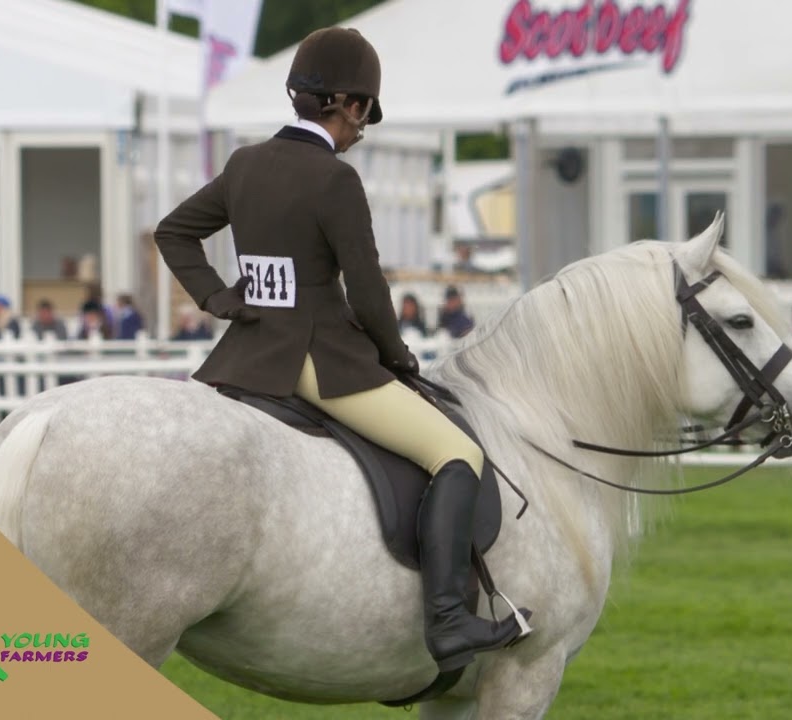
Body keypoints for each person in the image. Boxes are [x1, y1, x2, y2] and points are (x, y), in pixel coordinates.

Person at [152, 26, 529, 672]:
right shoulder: (335, 179)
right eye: (365, 116)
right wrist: (397, 357)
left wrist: (219, 299)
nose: (362, 131)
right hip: (321, 363)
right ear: (348, 104)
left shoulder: (247, 163)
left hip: (249, 356)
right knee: (458, 451)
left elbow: (173, 232)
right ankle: (448, 619)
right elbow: (369, 290)